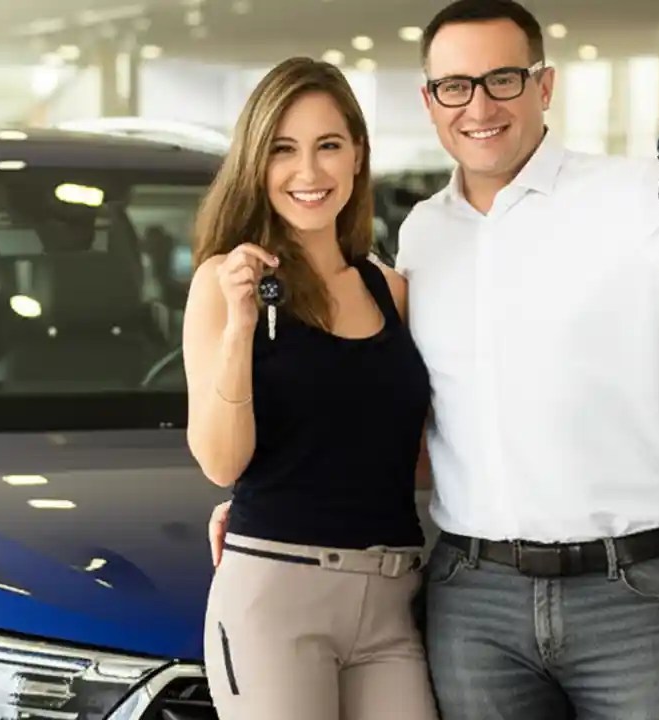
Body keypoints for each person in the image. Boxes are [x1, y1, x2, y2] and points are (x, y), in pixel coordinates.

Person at [207, 1, 659, 718]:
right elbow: (383, 398)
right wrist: (279, 494)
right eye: (455, 86)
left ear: (545, 87)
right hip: (474, 599)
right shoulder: (423, 236)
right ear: (430, 102)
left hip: (630, 592)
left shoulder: (637, 197)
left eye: (503, 79)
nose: (479, 104)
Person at [182, 56, 439, 720]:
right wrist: (241, 327)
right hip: (276, 595)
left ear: (358, 155)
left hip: (393, 599)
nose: (309, 172)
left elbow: (423, 452)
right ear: (256, 165)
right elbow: (220, 462)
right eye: (284, 150)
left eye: (329, 146)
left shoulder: (395, 291)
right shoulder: (223, 282)